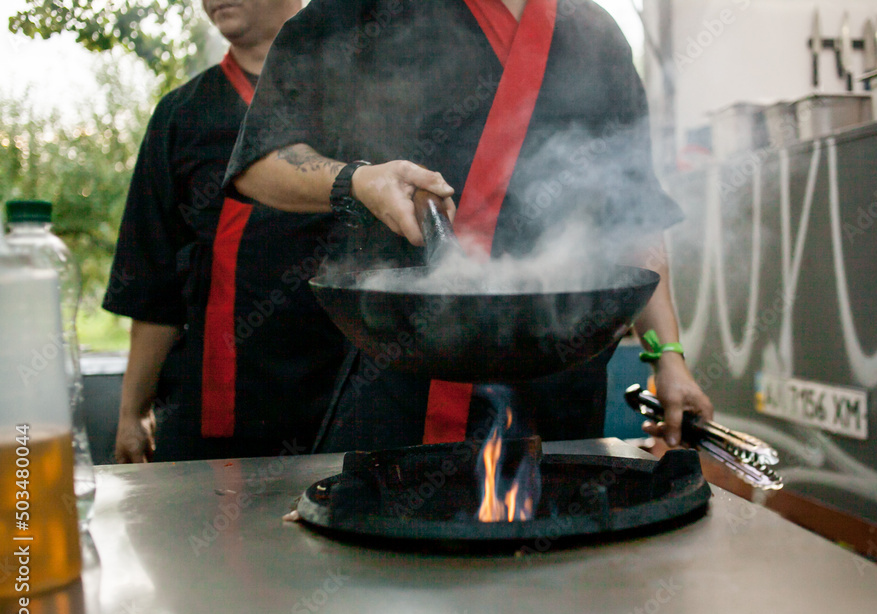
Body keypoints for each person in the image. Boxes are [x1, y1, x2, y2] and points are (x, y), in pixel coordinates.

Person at [225, 0, 712, 452]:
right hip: (403, 384)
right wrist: (358, 180)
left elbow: (634, 215)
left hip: (561, 397)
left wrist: (668, 358)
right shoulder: (365, 9)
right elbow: (260, 161)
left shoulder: (597, 34)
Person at [104, 0, 349, 463]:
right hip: (220, 420)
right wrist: (132, 412)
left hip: (348, 414)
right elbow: (153, 286)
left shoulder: (361, 99)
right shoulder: (183, 114)